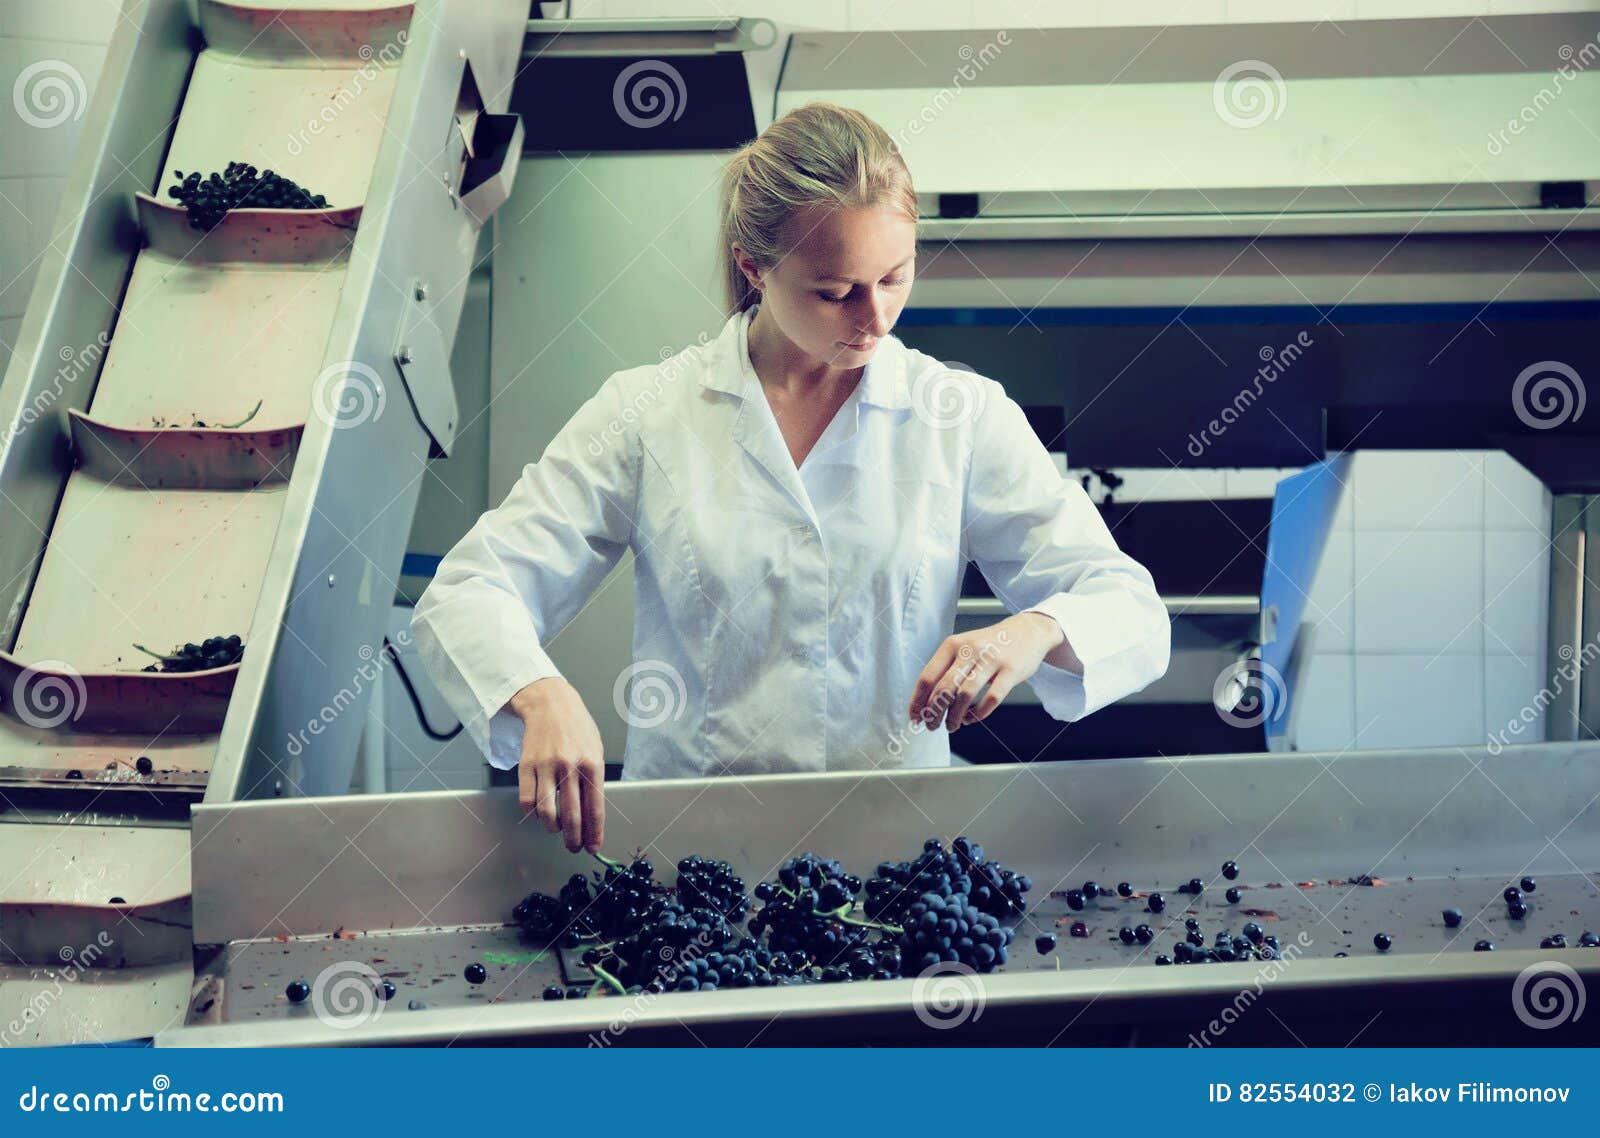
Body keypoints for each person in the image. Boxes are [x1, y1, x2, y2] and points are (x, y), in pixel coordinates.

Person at [411, 103, 1170, 856]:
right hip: (693, 868)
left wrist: (1038, 628)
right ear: (754, 265)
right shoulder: (650, 414)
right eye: (836, 292)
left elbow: (1129, 606)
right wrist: (537, 692)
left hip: (898, 860)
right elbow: (471, 588)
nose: (875, 318)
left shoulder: (959, 417)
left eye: (896, 278)